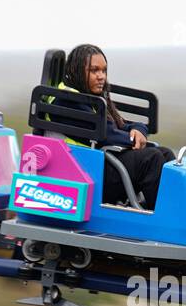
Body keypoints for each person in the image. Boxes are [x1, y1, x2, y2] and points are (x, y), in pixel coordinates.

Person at [56, 44, 175, 210]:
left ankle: (173, 208)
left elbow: (120, 124)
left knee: (165, 153)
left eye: (104, 71)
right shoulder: (67, 101)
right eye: (94, 70)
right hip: (89, 172)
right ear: (76, 71)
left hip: (102, 163)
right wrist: (132, 138)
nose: (101, 76)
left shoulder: (90, 98)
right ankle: (163, 216)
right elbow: (105, 134)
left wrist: (138, 130)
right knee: (151, 158)